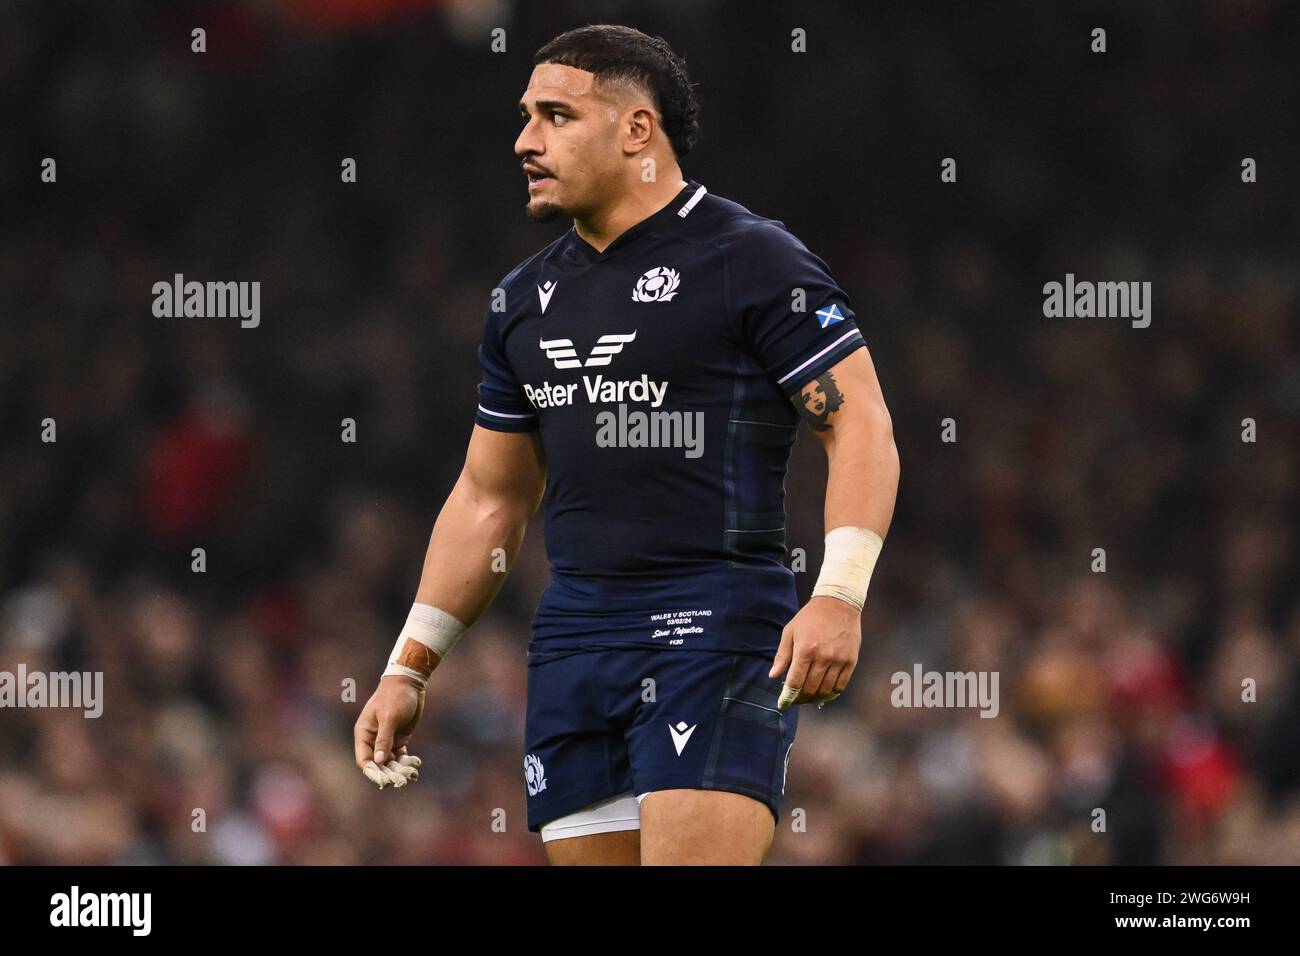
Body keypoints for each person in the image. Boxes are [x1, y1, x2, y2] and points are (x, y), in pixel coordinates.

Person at [353, 23, 899, 865]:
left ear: (637, 131)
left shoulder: (750, 258)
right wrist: (408, 666)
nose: (524, 140)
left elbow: (857, 420)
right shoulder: (523, 301)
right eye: (526, 117)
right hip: (574, 638)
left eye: (556, 116)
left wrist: (839, 594)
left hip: (714, 622)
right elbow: (489, 497)